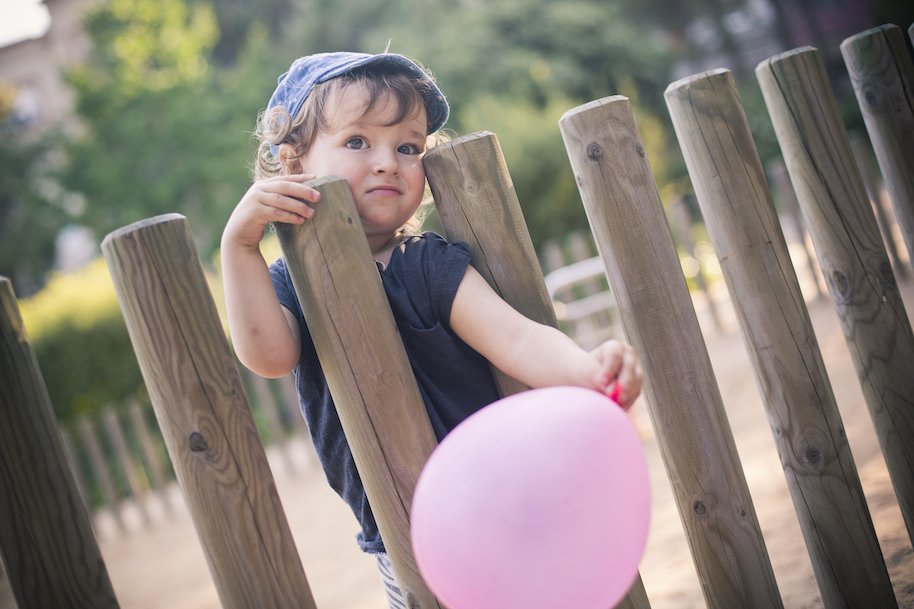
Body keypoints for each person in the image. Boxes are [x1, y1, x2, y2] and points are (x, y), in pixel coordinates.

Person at [221, 51, 644, 607]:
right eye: (357, 142)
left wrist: (585, 370)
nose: (388, 163)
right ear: (293, 165)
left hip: (501, 508)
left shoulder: (425, 264)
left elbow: (516, 337)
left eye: (408, 147)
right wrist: (239, 244)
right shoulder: (291, 285)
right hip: (400, 535)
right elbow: (268, 356)